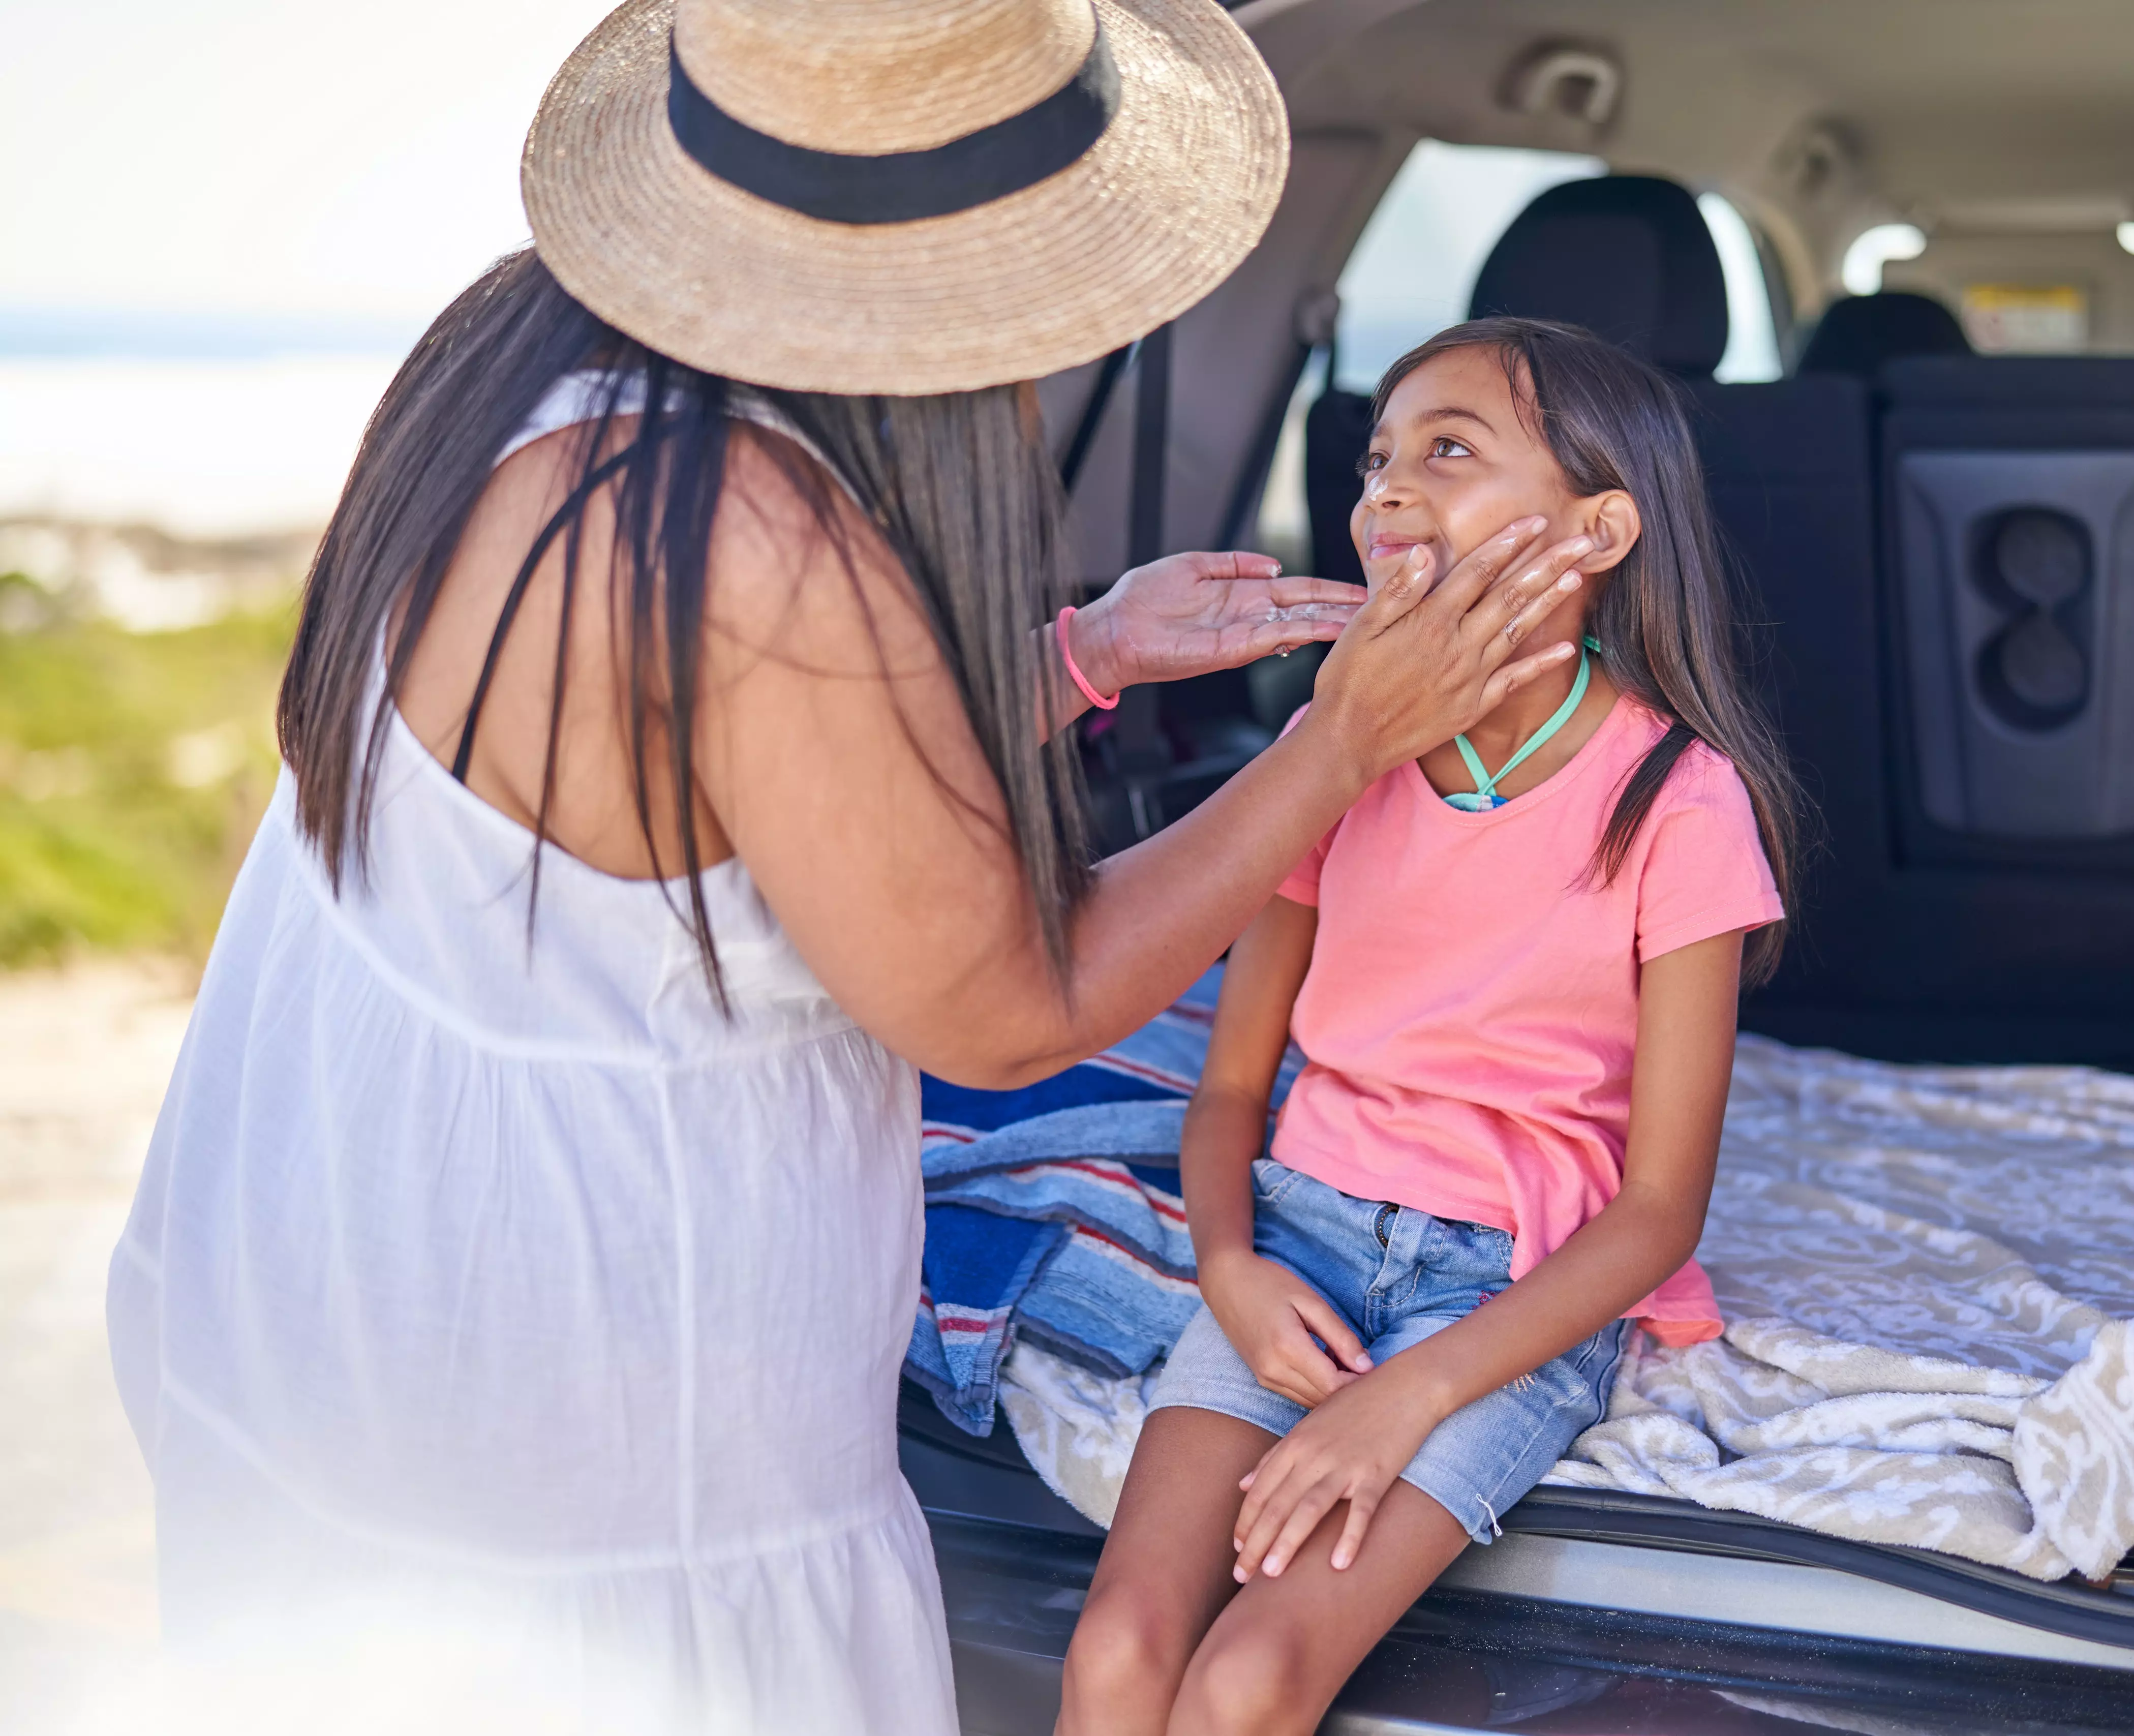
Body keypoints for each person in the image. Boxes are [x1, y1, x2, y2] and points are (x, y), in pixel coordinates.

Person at [103, 5, 1592, 1731]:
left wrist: (1081, 653)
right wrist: (1338, 744)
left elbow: (687, 784)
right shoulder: (751, 533)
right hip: (547, 1480)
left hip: (317, 1300)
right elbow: (1001, 1004)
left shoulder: (518, 352)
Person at [1059, 318, 1802, 1735]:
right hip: (1300, 1238)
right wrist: (1228, 1268)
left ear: (1597, 531)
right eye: (1377, 456)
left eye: (1447, 452)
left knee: (1246, 1680)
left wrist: (1407, 1398)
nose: (1386, 490)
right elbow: (1231, 1093)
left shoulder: (1682, 798)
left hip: (1504, 1296)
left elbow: (1656, 1214)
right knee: (1115, 1657)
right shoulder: (1323, 754)